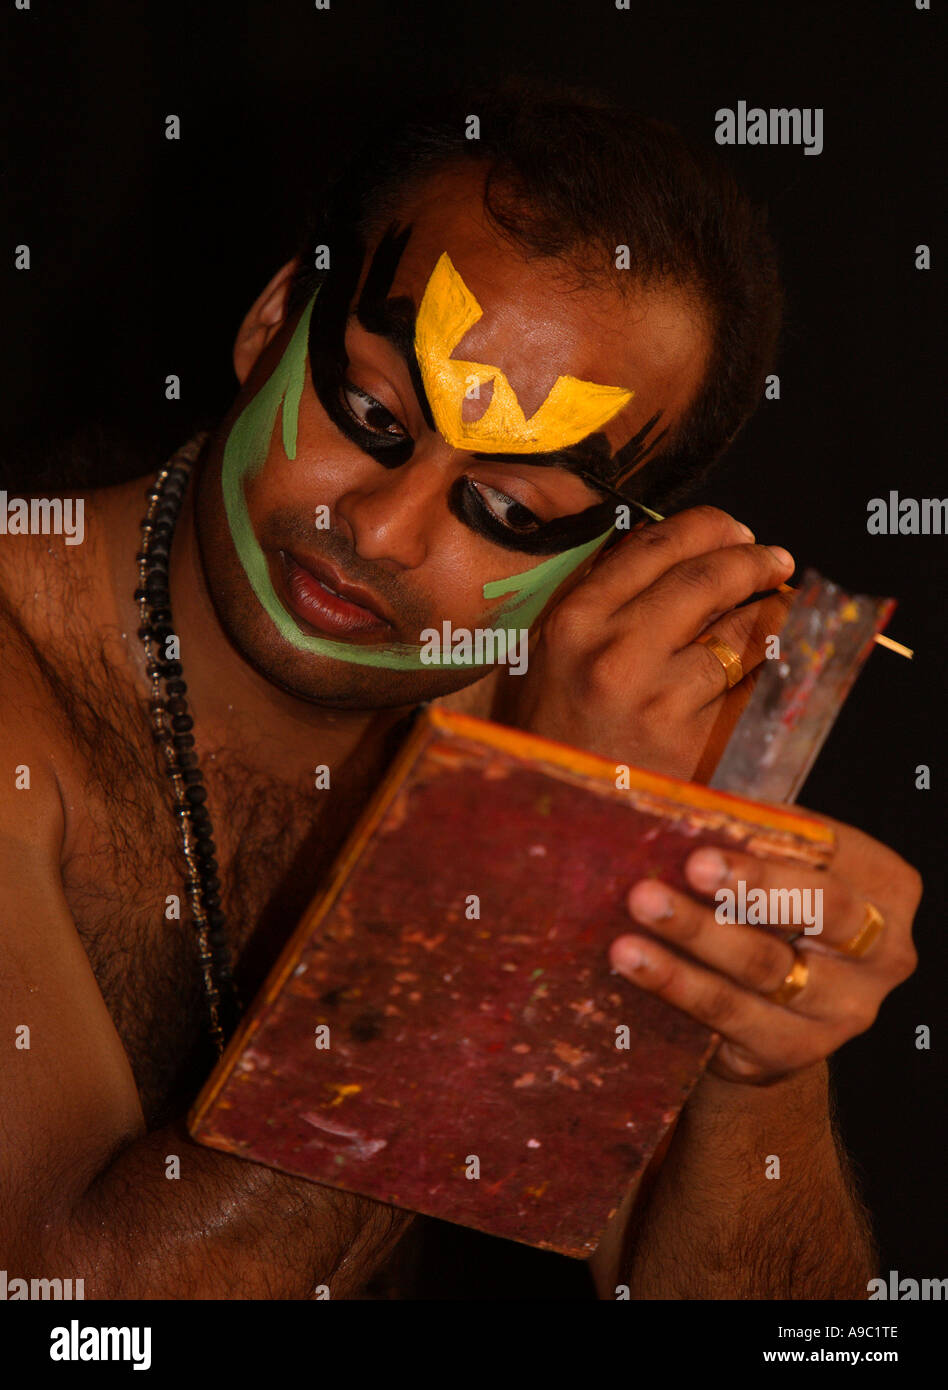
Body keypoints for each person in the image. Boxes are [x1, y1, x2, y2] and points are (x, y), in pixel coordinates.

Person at [0, 84, 920, 1299]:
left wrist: (755, 1047)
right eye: (373, 413)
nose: (378, 530)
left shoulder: (588, 735)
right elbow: (82, 1313)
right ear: (273, 319)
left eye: (509, 512)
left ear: (613, 554)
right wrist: (530, 842)